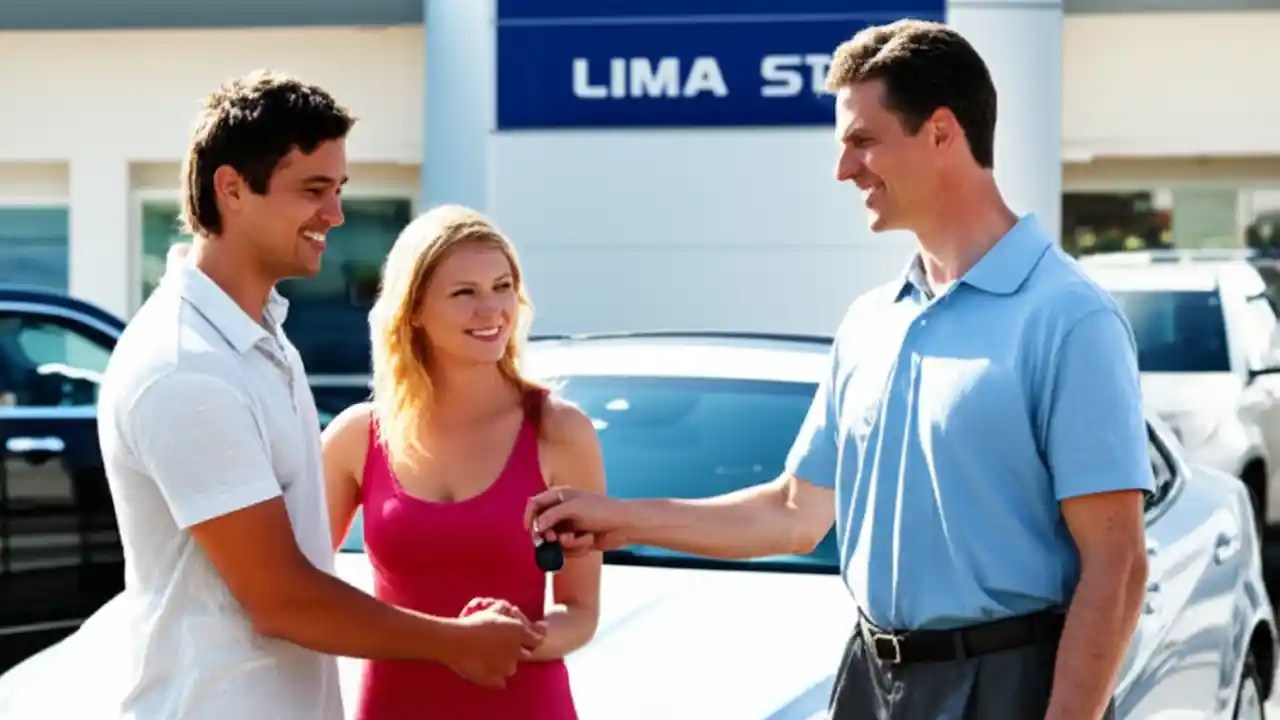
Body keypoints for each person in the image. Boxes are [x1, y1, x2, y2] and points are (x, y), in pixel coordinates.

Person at [525, 19, 1152, 720]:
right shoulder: (870, 322)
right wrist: (621, 519)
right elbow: (794, 514)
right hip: (867, 681)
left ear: (942, 132)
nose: (843, 169)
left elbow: (1117, 564)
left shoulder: (1069, 318)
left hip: (1006, 688)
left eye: (863, 141)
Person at [84, 71, 544, 719]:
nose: (335, 214)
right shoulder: (185, 368)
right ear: (232, 189)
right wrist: (453, 643)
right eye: (313, 190)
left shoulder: (258, 338)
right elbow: (281, 598)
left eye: (338, 189)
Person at [321, 204, 604, 719]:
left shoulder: (561, 432)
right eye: (464, 293)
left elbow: (581, 611)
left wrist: (509, 639)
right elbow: (296, 584)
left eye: (502, 287)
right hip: (394, 706)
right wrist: (449, 640)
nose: (492, 309)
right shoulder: (356, 438)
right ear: (413, 310)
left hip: (525, 706)